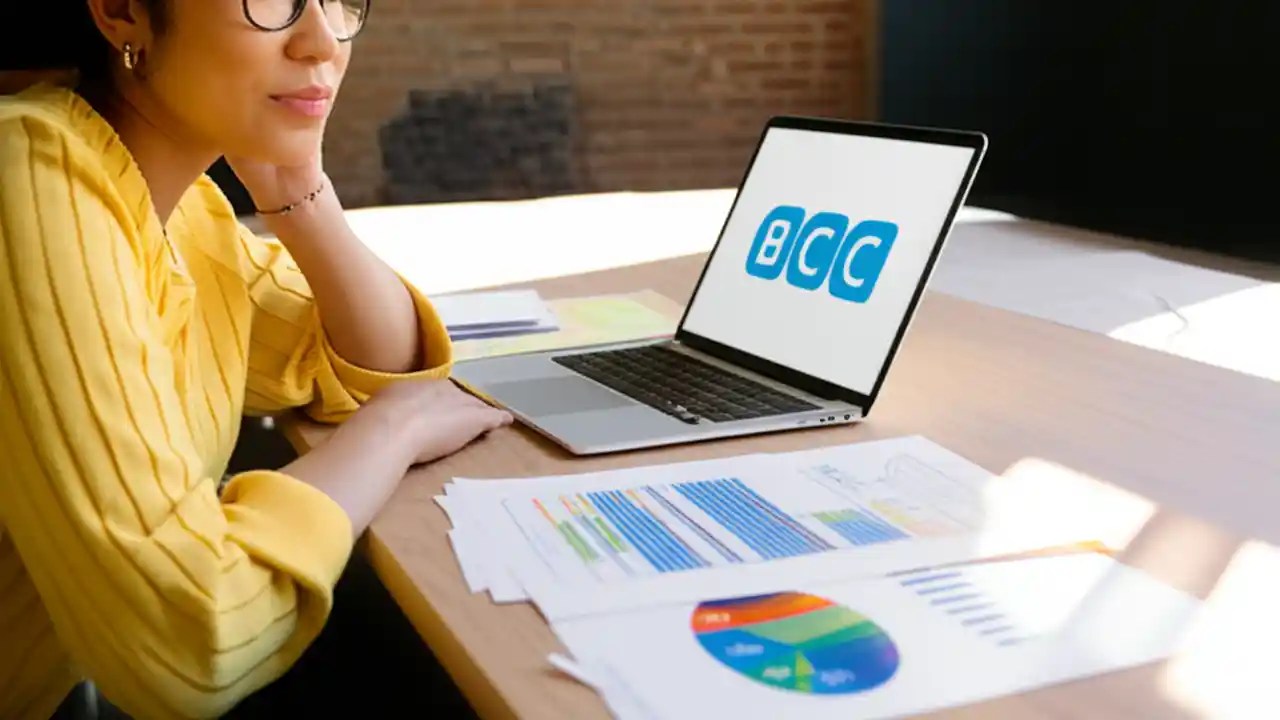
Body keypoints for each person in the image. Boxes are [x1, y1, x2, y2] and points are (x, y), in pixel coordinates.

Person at [0, 0, 513, 717]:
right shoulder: (32, 172)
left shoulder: (183, 207)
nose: (322, 40)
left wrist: (296, 188)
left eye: (340, 0)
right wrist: (394, 433)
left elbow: (374, 369)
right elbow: (186, 642)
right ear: (122, 13)